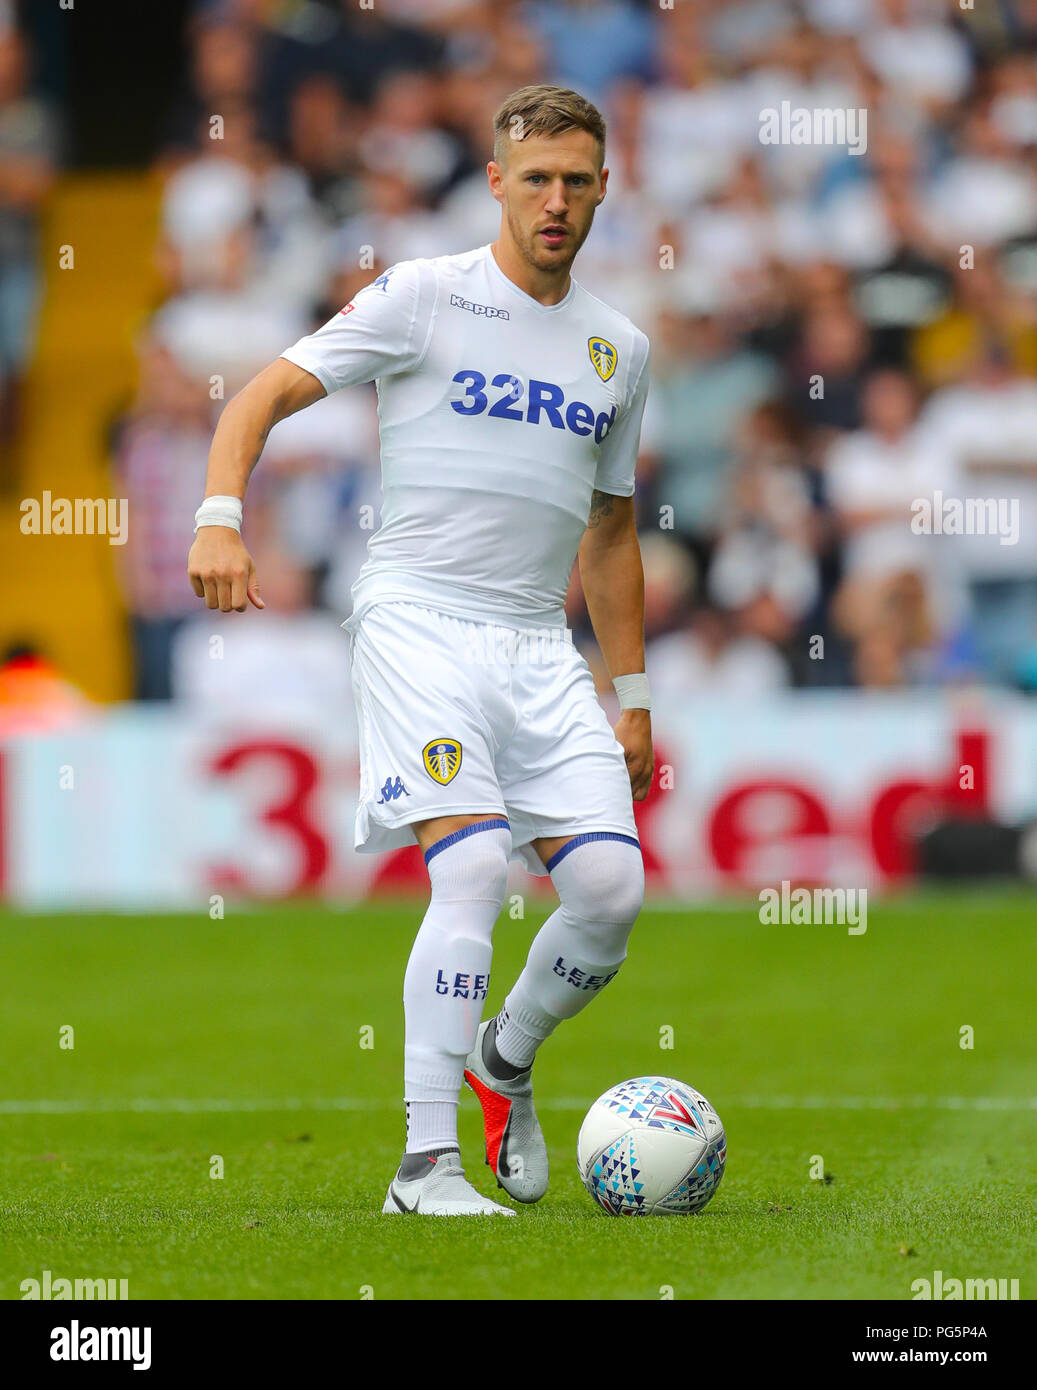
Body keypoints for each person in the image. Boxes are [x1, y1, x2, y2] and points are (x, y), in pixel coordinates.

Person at [186, 86, 652, 1216]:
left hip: (537, 643)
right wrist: (218, 514)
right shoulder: (423, 296)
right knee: (475, 868)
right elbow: (261, 393)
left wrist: (630, 692)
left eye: (575, 180)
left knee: (608, 888)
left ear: (602, 189)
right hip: (417, 617)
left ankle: (502, 1060)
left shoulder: (617, 348)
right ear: (494, 181)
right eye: (534, 177)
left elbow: (609, 526)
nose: (554, 200)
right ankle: (423, 1165)